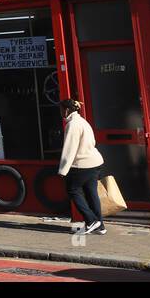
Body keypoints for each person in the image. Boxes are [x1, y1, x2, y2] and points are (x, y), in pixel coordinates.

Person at [58, 98, 106, 234]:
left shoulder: (72, 125)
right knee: (92, 194)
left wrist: (63, 170)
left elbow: (69, 149)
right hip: (95, 162)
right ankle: (100, 226)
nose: (60, 112)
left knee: (73, 190)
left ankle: (91, 221)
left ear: (67, 110)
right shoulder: (83, 121)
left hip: (82, 164)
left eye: (61, 109)